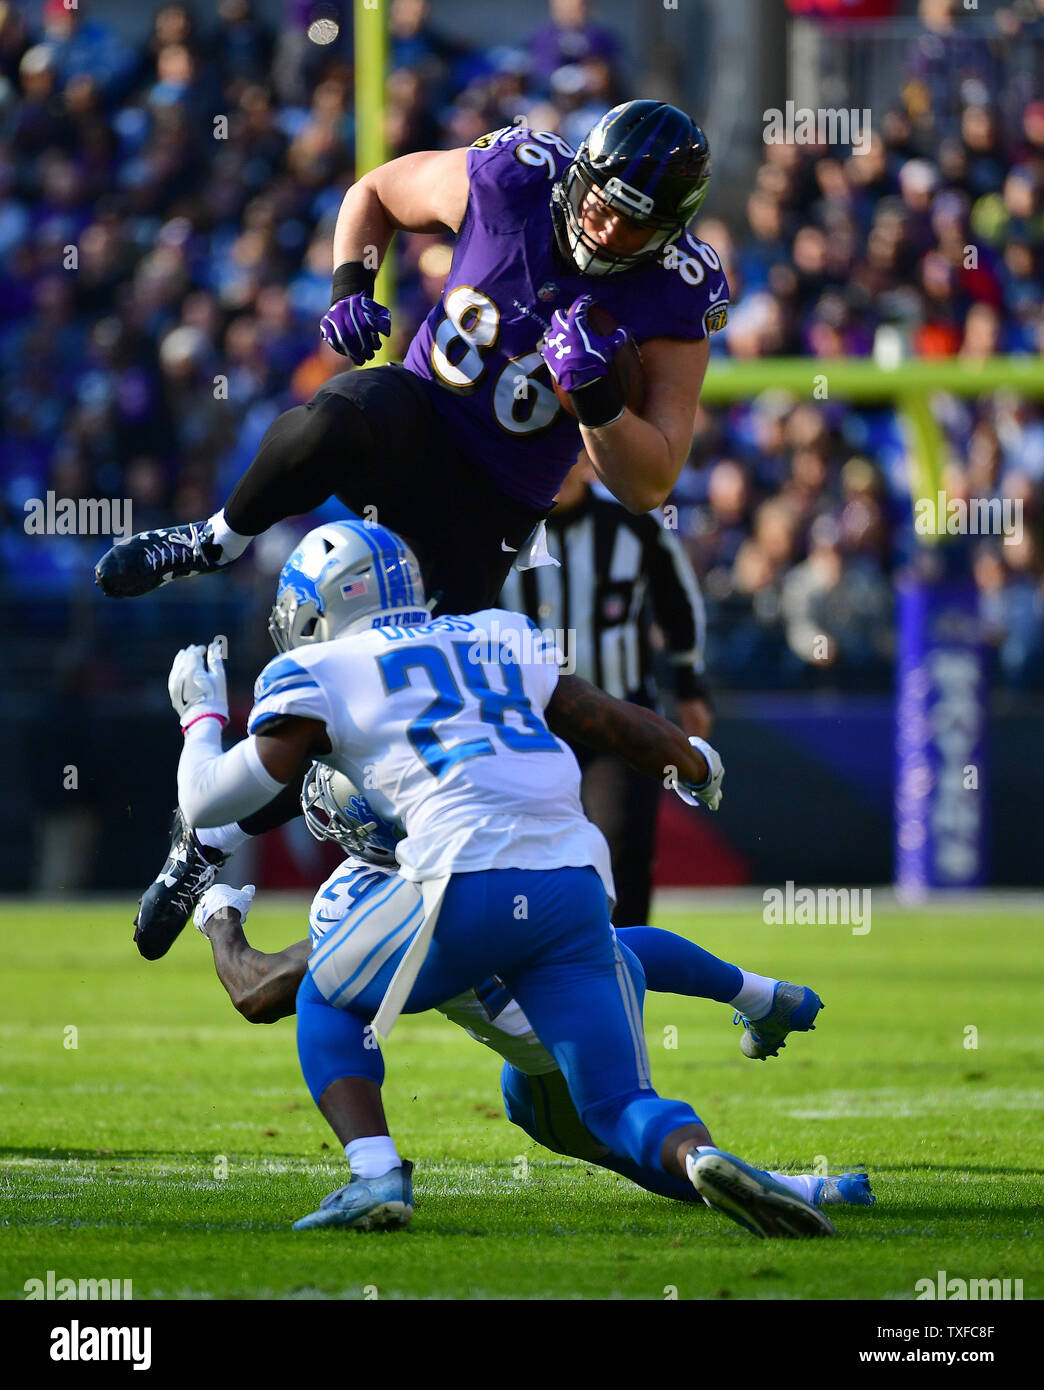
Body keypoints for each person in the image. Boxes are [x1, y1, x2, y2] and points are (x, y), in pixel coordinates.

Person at [161, 515, 834, 1237]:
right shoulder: (493, 634)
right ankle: (696, 1153)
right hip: (574, 876)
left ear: (319, 610)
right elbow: (606, 719)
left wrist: (200, 715)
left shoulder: (318, 670)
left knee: (329, 996)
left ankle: (374, 1175)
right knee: (613, 1103)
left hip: (461, 876)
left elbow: (206, 801)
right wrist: (696, 763)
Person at [186, 767, 872, 1228]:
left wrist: (215, 912)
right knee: (618, 1005)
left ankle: (375, 1172)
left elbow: (259, 990)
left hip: (540, 1042)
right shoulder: (483, 788)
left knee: (330, 999)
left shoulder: (349, 899)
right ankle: (757, 1009)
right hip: (575, 928)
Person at [501, 452, 712, 924]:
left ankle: (625, 968)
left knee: (622, 851)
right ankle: (533, 973)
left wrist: (690, 684)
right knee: (523, 856)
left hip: (620, 719)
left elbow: (678, 600)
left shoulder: (633, 521)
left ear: (587, 459)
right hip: (525, 726)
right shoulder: (500, 519)